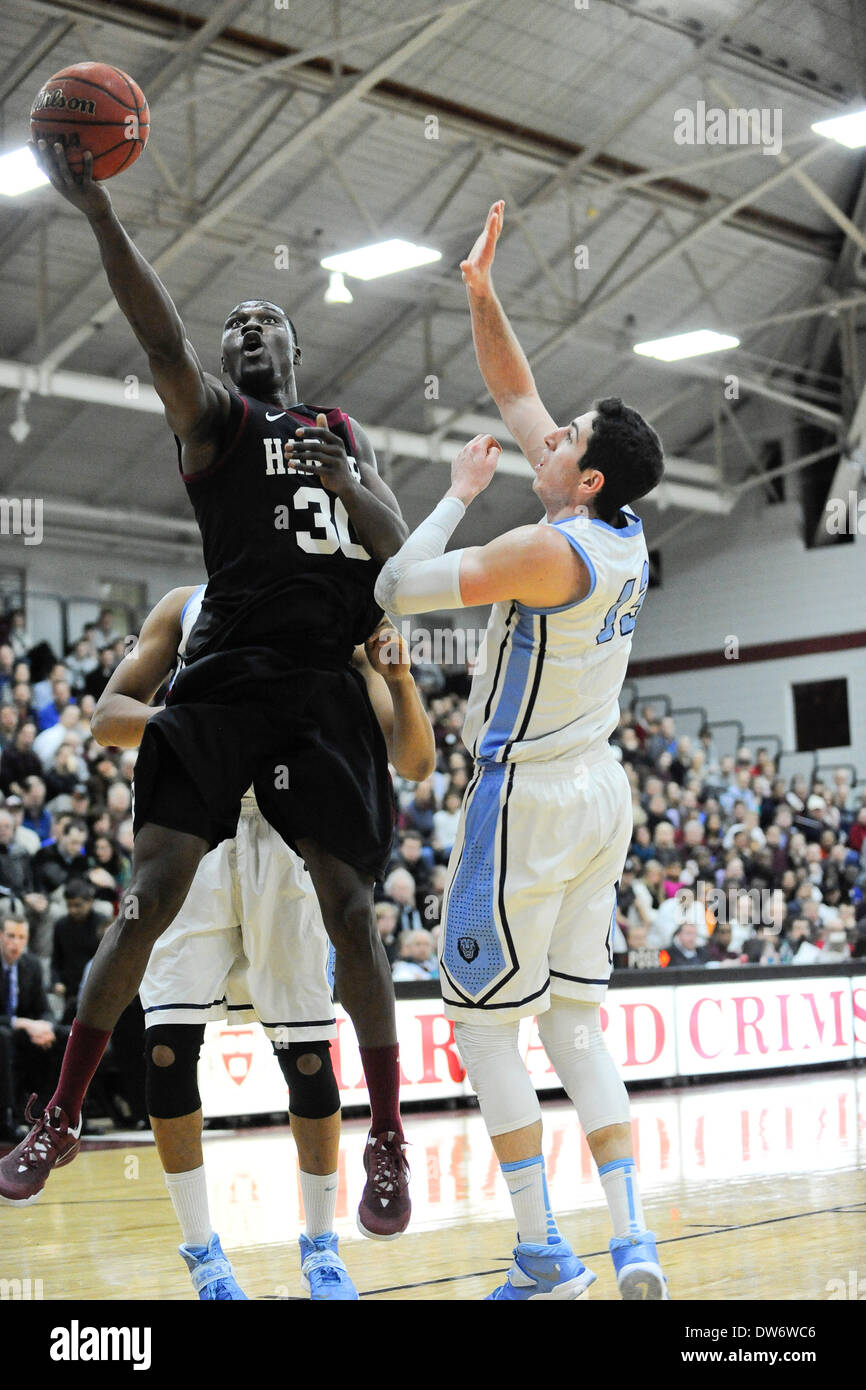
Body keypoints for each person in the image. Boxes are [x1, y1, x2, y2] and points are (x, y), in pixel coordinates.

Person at [0, 141, 412, 1229]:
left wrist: (350, 483)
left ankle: (386, 1136)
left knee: (352, 910)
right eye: (235, 325)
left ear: (297, 348)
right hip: (223, 678)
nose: (247, 331)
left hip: (320, 682)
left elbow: (397, 550)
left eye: (266, 322)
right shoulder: (216, 421)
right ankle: (62, 1112)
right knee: (148, 895)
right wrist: (97, 213)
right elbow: (159, 339)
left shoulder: (341, 433)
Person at [374, 200, 667, 1300]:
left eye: (564, 439)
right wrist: (480, 291)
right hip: (600, 791)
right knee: (577, 1026)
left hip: (527, 799)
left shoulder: (543, 551)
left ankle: (544, 1253)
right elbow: (513, 391)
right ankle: (632, 1240)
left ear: (584, 479)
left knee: (485, 1030)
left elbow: (395, 588)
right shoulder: (622, 526)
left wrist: (455, 495)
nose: (547, 436)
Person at [89, 586, 432, 1296]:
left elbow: (415, 760)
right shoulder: (183, 606)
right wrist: (198, 729)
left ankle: (321, 1248)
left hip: (291, 839)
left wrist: (399, 678)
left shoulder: (340, 613)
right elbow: (107, 719)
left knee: (307, 1057)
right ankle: (203, 1255)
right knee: (167, 1048)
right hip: (195, 833)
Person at [0, 912, 68, 1144]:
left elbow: (44, 1009)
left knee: (64, 1035)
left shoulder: (31, 964)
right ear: (0, 936)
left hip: (22, 1032)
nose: (16, 943)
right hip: (7, 1030)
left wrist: (45, 1026)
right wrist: (23, 1023)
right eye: (11, 936)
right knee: (3, 1037)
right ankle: (6, 1120)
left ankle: (56, 1113)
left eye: (21, 937)